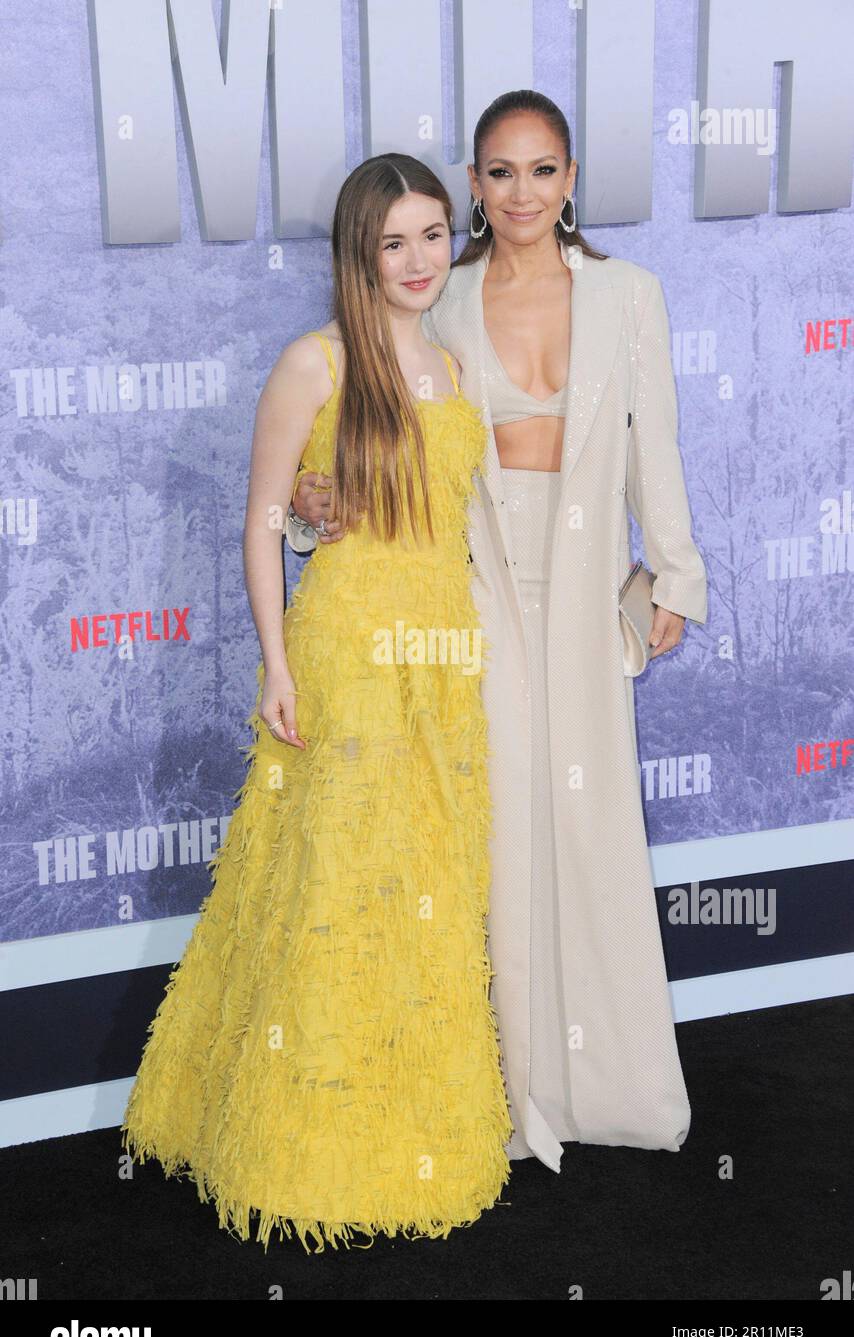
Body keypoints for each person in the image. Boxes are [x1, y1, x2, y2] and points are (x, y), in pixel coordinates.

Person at [289, 90, 708, 1173]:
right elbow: (375, 431)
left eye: (543, 169)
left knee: (593, 823)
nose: (523, 192)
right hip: (475, 586)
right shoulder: (445, 297)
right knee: (499, 834)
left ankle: (611, 1085)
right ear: (474, 185)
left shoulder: (627, 295)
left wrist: (674, 570)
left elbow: (653, 443)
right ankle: (509, 1092)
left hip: (585, 577)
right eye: (501, 172)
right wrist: (311, 504)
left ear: (570, 179)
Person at [121, 153, 513, 1254]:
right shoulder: (316, 360)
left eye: (433, 234)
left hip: (442, 658)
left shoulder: (449, 364)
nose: (419, 259)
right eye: (393, 242)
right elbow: (263, 521)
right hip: (347, 654)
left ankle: (411, 1128)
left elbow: (442, 519)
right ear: (358, 253)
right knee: (331, 883)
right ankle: (300, 1144)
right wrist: (276, 664)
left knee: (428, 884)